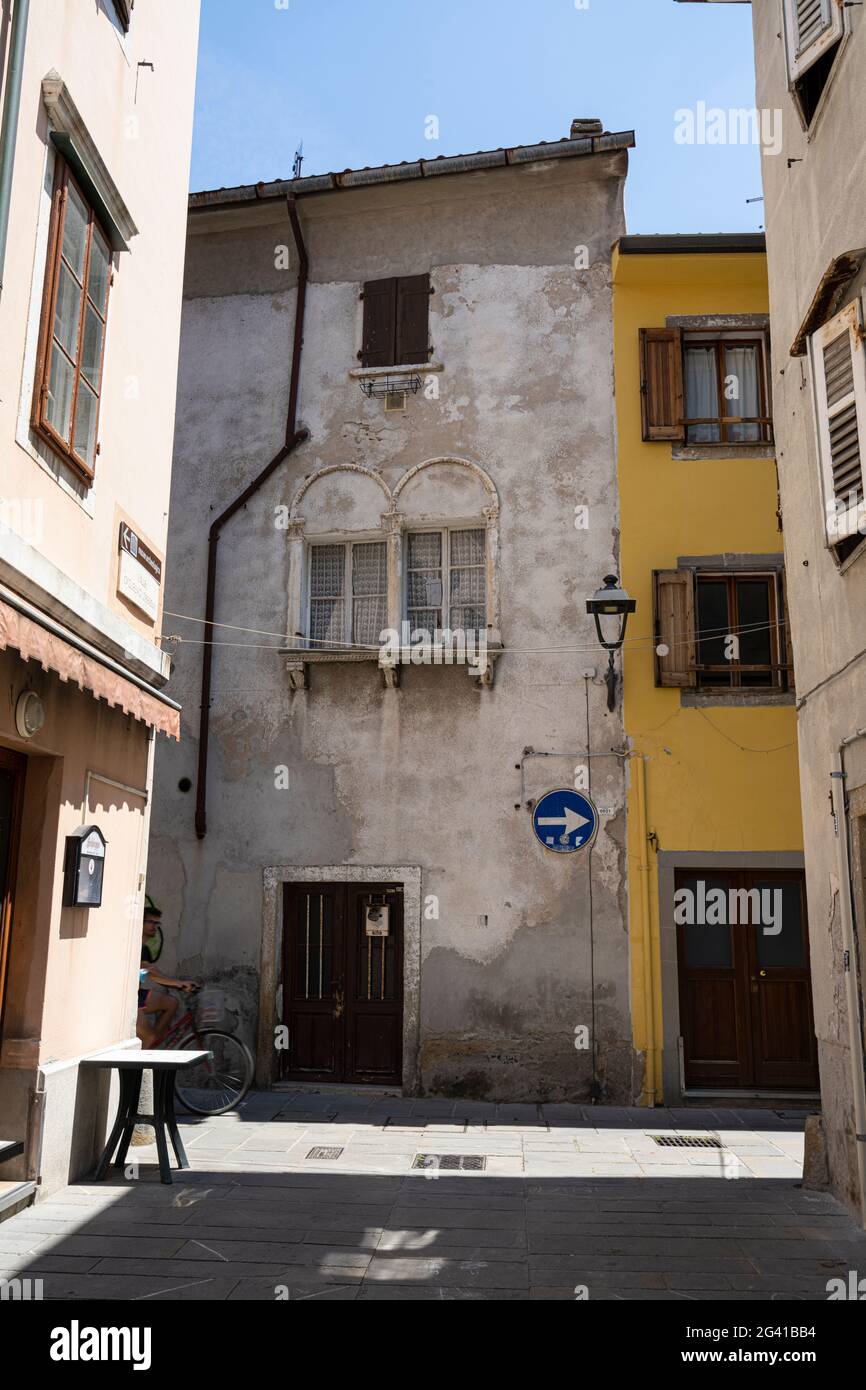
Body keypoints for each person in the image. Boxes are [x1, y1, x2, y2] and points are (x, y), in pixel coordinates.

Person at [137, 898, 198, 1047]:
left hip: (138, 993)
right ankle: (147, 1046)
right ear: (141, 922)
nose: (155, 926)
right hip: (128, 999)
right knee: (149, 1038)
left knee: (171, 1003)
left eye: (157, 923)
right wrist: (178, 983)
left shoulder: (145, 950)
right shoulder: (136, 944)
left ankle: (154, 1041)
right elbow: (151, 974)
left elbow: (152, 972)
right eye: (151, 922)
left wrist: (177, 984)